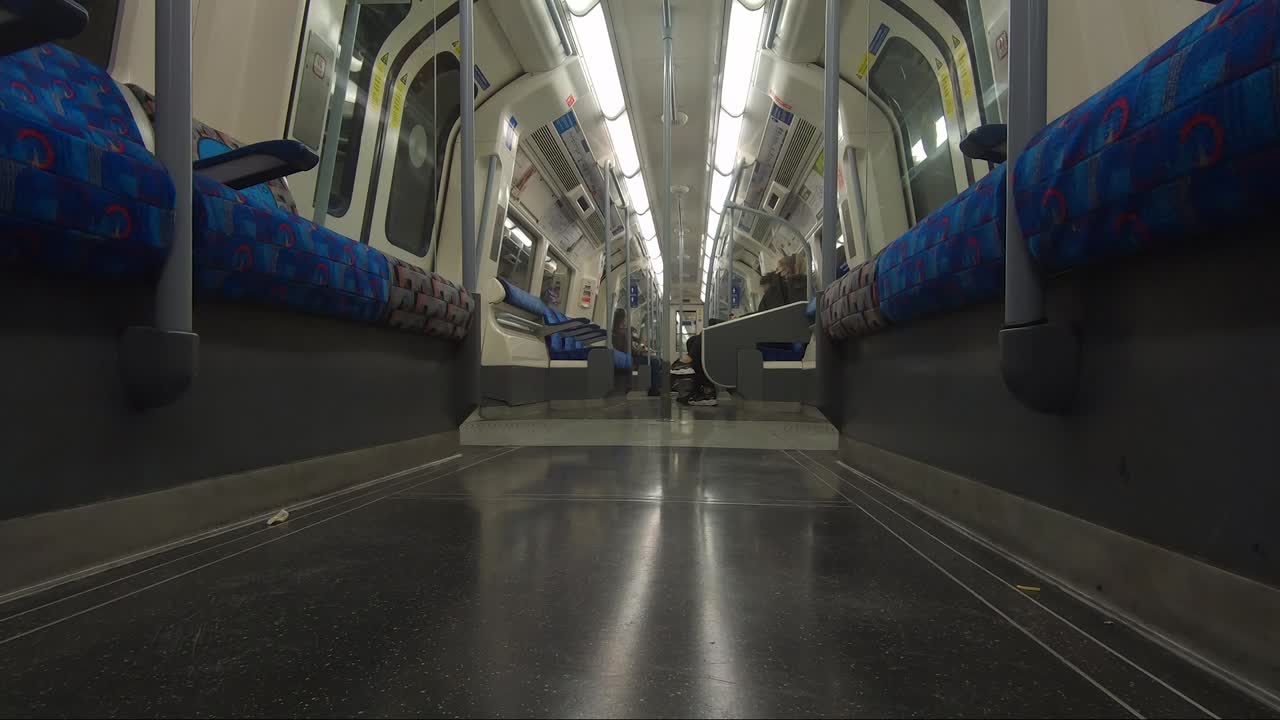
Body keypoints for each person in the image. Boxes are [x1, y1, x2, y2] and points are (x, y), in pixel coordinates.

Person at [672, 254, 807, 406]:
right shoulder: (783, 291)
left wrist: (741, 320)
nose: (777, 272)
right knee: (697, 337)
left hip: (773, 341)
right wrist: (741, 320)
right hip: (766, 334)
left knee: (708, 332)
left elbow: (770, 318)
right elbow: (765, 316)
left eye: (778, 269)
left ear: (786, 270)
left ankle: (692, 370)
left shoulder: (787, 290)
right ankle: (702, 389)